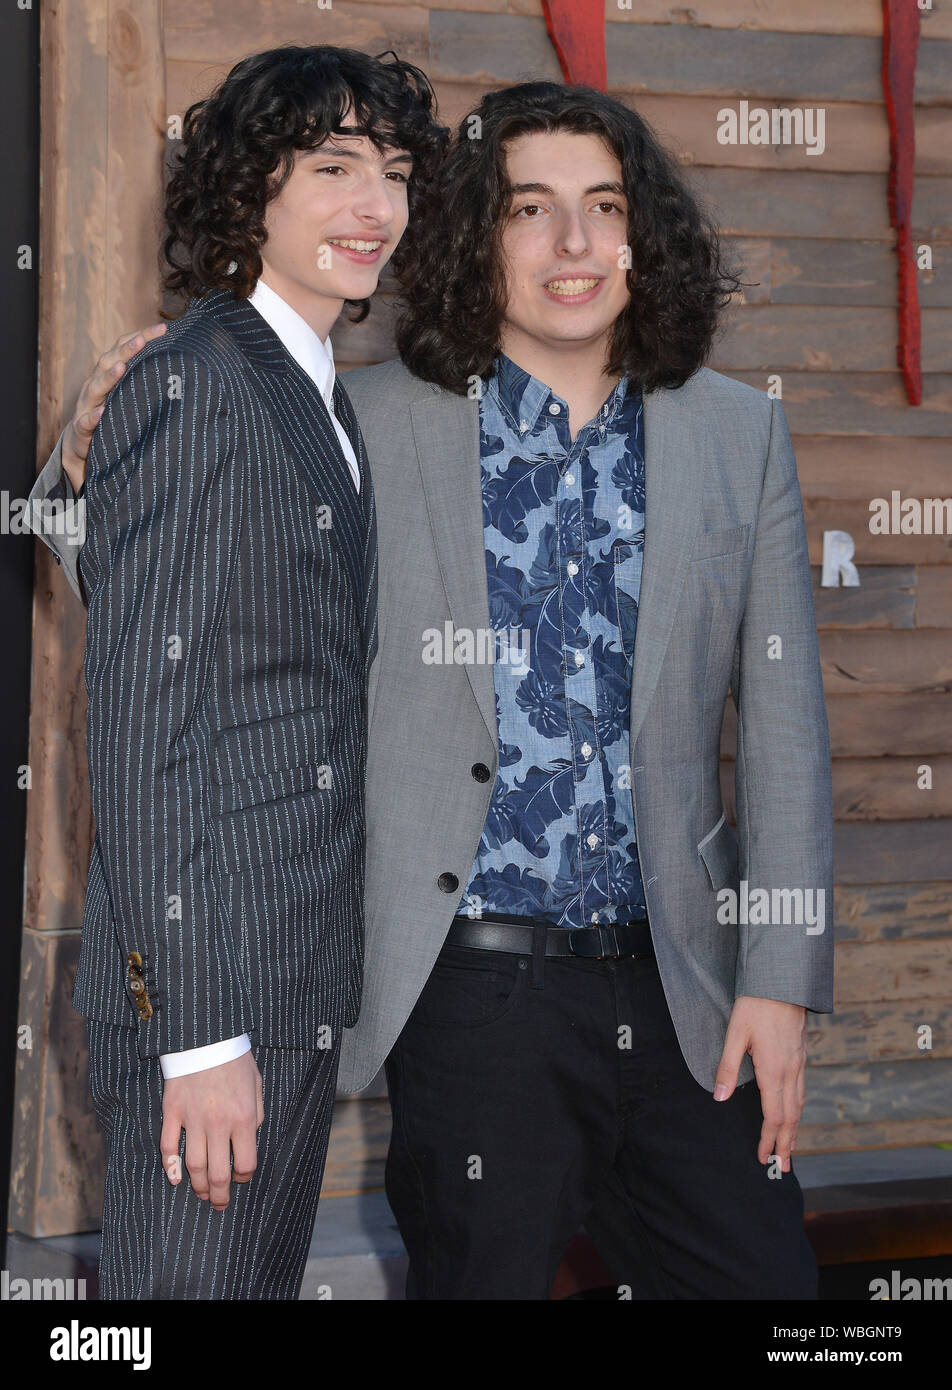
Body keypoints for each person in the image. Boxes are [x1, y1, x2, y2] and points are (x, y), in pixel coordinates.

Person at [33, 81, 832, 1301]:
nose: (573, 244)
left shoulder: (737, 432)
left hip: (690, 990)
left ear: (641, 232)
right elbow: (186, 605)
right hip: (471, 996)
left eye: (604, 206)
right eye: (530, 209)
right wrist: (84, 457)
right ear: (474, 237)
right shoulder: (361, 417)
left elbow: (784, 727)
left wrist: (778, 976)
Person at [27, 43, 444, 1300]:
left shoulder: (317, 392)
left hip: (294, 969)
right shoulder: (198, 380)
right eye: (332, 168)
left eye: (394, 172)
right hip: (211, 998)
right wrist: (197, 1033)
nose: (375, 206)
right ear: (249, 187)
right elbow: (147, 726)